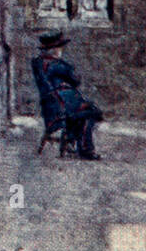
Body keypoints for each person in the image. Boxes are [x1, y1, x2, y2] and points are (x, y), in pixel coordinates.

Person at [31, 31, 104, 160]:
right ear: (53, 50)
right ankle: (85, 149)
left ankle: (73, 141)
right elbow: (75, 80)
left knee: (85, 111)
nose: (61, 50)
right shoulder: (59, 65)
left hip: (51, 107)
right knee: (91, 112)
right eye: (59, 48)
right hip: (62, 105)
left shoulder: (38, 63)